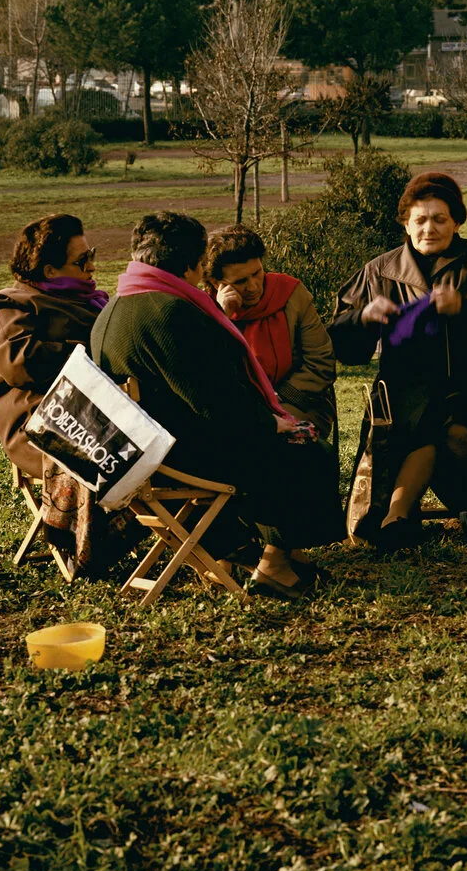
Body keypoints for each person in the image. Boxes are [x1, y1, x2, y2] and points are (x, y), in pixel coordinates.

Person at [90, 210, 345, 592]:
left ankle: (271, 552)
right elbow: (216, 404)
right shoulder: (169, 312)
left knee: (287, 441)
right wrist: (271, 423)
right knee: (308, 450)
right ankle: (275, 562)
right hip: (180, 459)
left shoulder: (116, 307)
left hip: (145, 451)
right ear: (195, 266)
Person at [329, 171, 467, 546]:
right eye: (420, 219)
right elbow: (339, 344)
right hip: (405, 390)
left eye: (440, 219)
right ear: (405, 222)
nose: (429, 228)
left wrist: (463, 305)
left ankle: (398, 515)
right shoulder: (380, 271)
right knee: (428, 418)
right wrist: (363, 318)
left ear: (457, 221)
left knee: (450, 426)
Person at [0, 213, 103, 482]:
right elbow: (21, 362)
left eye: (91, 255)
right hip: (43, 427)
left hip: (101, 419)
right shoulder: (7, 308)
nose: (91, 267)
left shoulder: (92, 303)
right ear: (49, 271)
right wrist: (97, 352)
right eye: (82, 261)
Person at [205, 224, 337, 435]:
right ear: (216, 282)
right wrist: (222, 318)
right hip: (239, 411)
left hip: (300, 404)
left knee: (286, 442)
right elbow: (206, 371)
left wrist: (275, 402)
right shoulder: (205, 310)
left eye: (257, 273)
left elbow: (320, 362)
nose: (253, 286)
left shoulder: (291, 293)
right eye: (240, 281)